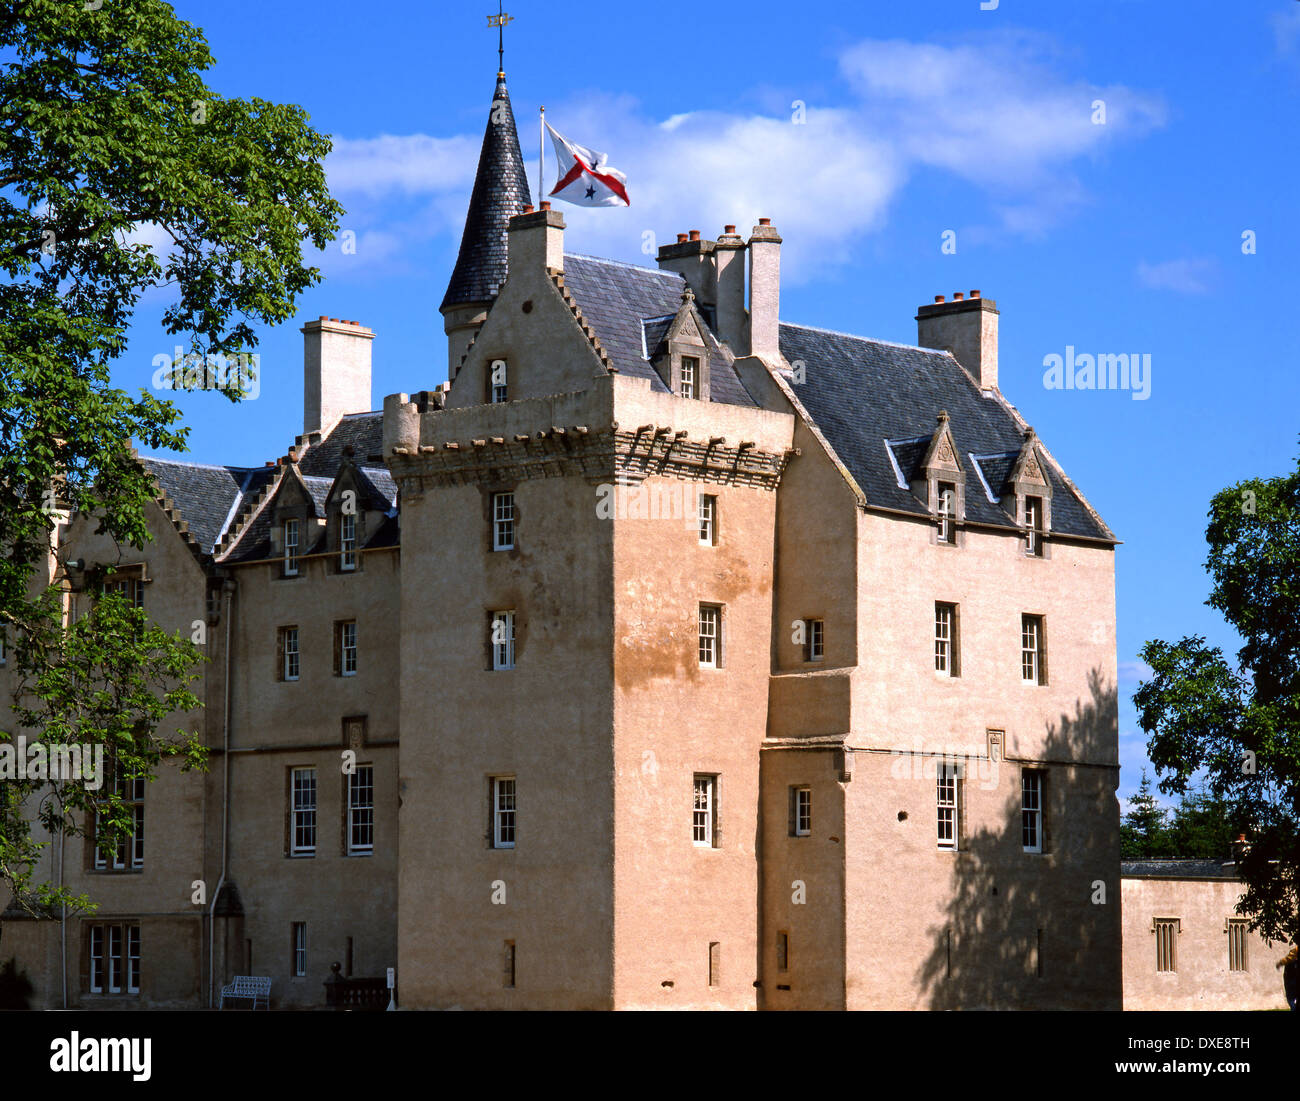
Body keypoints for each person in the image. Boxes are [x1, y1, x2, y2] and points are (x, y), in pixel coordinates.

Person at [1279, 945, 1298, 1011]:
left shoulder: (1295, 951)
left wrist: (1279, 963)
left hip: (1291, 981)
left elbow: (1288, 959)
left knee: (1290, 999)